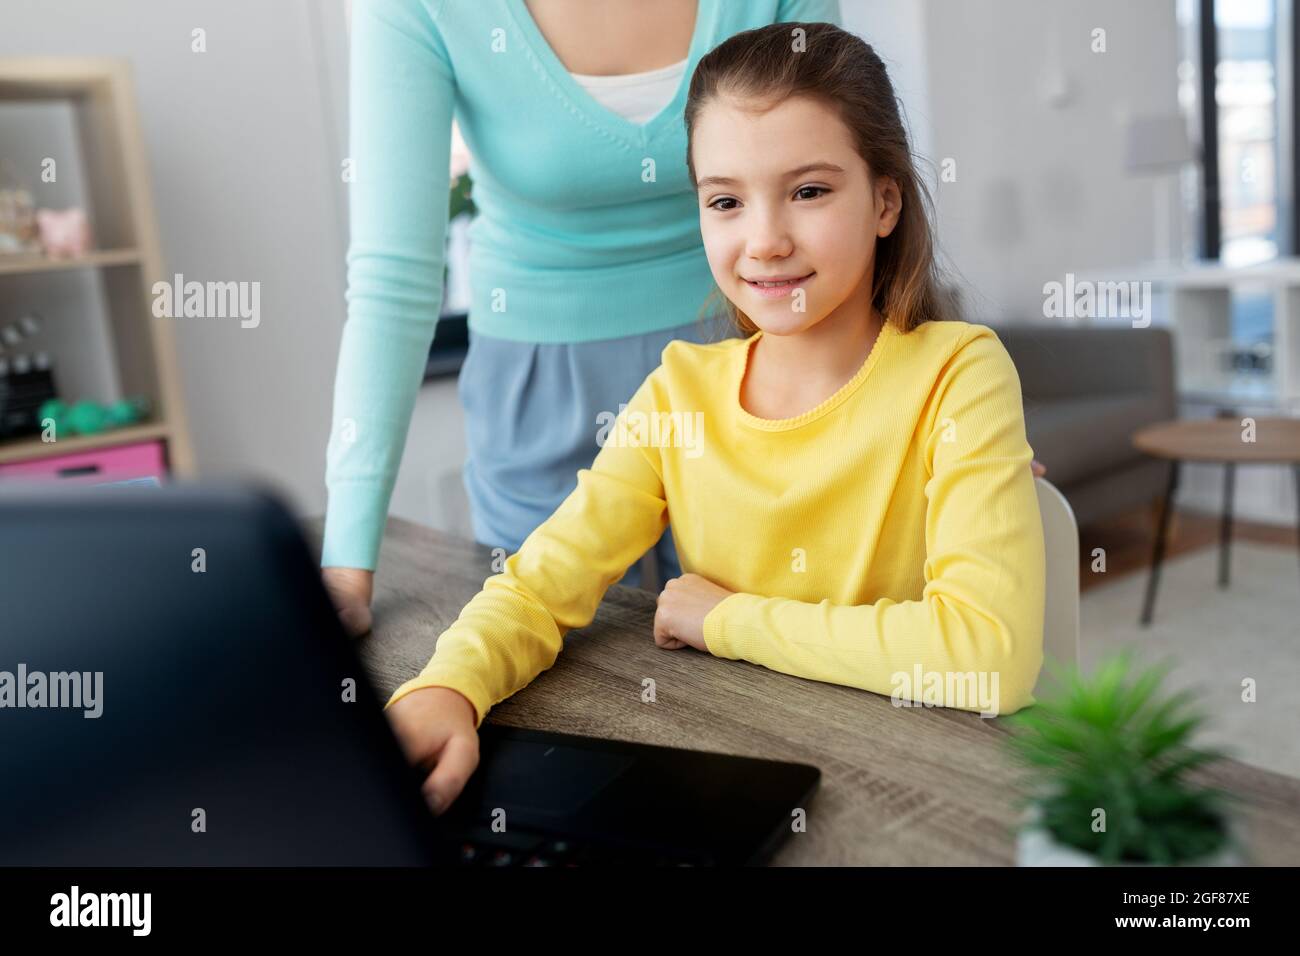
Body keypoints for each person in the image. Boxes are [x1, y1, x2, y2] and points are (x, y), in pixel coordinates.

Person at [383, 21, 1049, 817]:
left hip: (917, 785)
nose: (764, 241)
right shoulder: (680, 394)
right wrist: (449, 685)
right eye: (726, 201)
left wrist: (725, 619)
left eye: (808, 191)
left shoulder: (959, 373)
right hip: (741, 774)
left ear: (884, 201)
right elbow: (539, 586)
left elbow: (987, 659)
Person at [321, 0, 853, 637]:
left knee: (776, 655)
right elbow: (392, 279)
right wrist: (348, 562)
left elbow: (841, 183)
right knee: (551, 668)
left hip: (757, 360)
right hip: (543, 390)